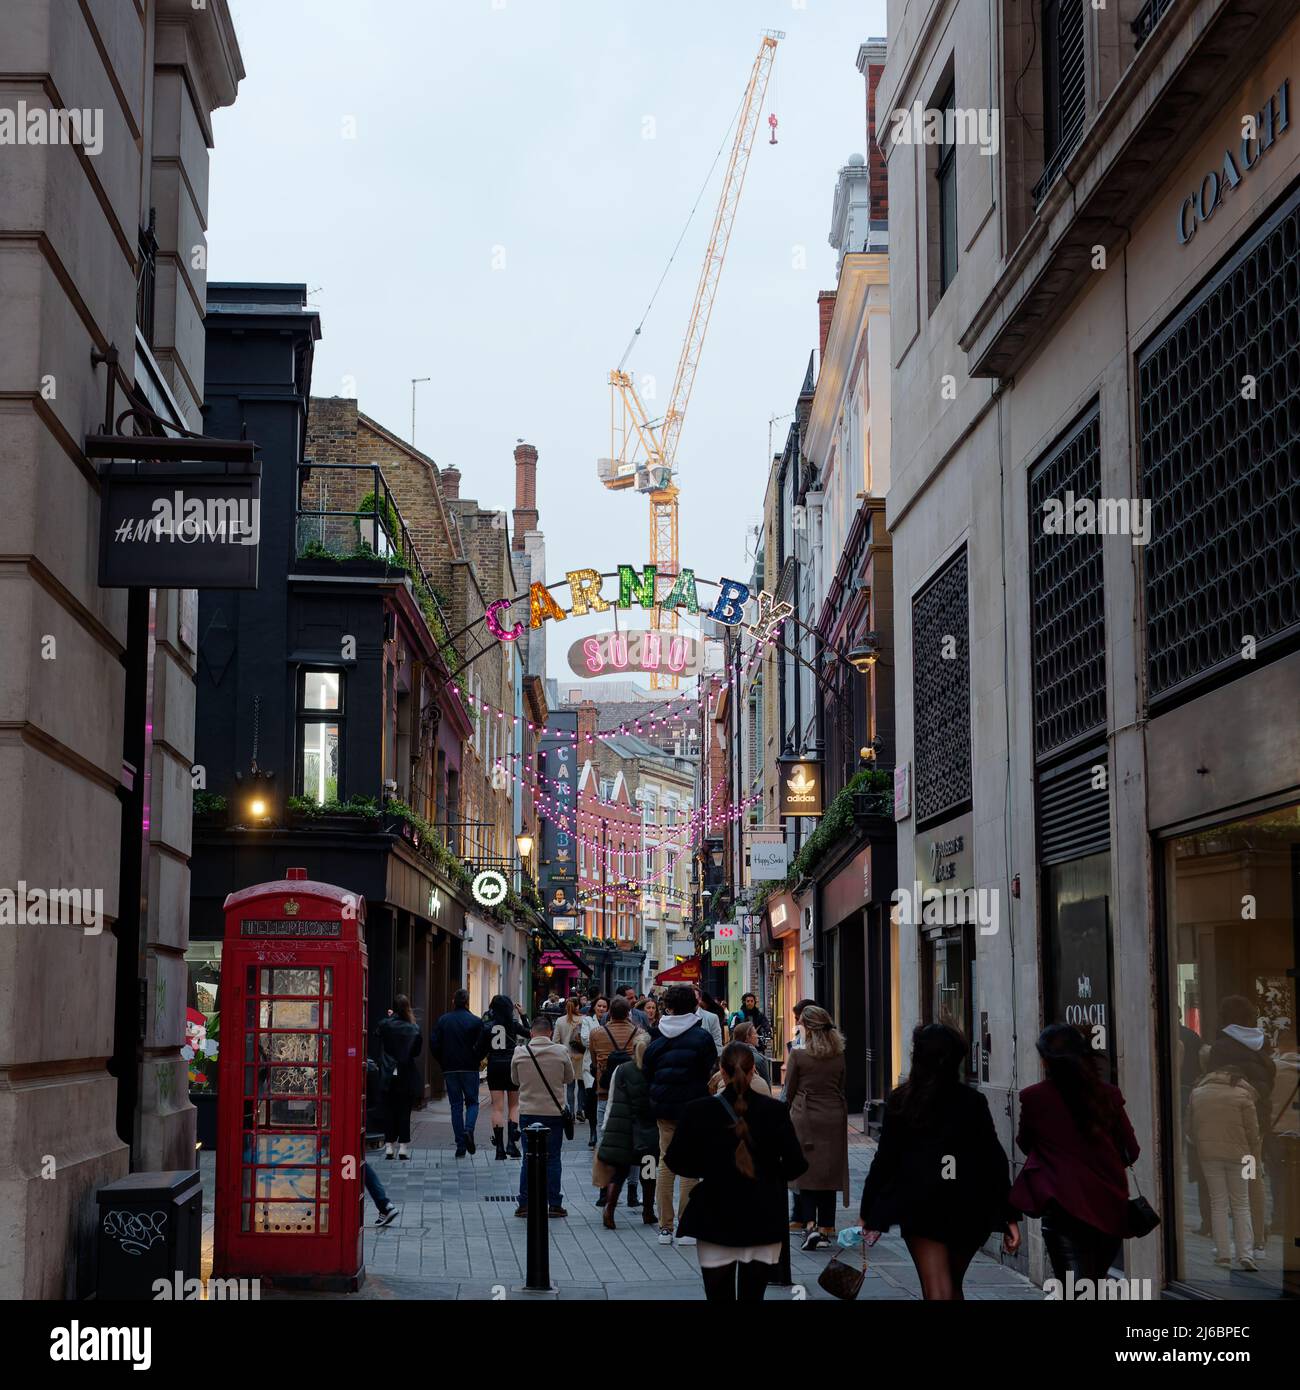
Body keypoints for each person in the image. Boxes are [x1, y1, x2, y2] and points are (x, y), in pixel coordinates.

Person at [860, 1023, 1020, 1300]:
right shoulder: (972, 1102)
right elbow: (993, 1160)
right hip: (969, 1207)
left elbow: (885, 1160)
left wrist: (868, 1209)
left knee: (938, 1290)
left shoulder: (903, 1101)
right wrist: (1008, 1215)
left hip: (922, 1206)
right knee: (950, 1285)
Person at [665, 1042, 809, 1303]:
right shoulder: (775, 1111)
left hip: (715, 1212)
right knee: (753, 1294)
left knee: (717, 1294)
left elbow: (675, 1160)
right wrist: (769, 1173)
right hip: (762, 1213)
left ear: (721, 1071)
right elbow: (796, 1164)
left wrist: (709, 1167)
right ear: (754, 1071)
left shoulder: (698, 1110)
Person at [1009, 1023, 1140, 1284]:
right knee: (1093, 1282)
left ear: (1046, 1062)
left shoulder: (1035, 1098)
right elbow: (1131, 1150)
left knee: (1074, 1286)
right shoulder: (1108, 1095)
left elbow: (1025, 1143)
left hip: (1061, 1204)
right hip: (1108, 1203)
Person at [643, 984, 717, 1246]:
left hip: (664, 1109)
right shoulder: (702, 1038)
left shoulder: (656, 1037)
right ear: (694, 1006)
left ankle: (665, 1227)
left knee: (666, 1162)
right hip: (694, 1108)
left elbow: (648, 1071)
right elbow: (709, 1068)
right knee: (691, 1165)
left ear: (668, 1007)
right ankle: (686, 1226)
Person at [1203, 995, 1275, 1256]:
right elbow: (1269, 1083)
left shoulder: (1221, 1047)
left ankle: (1239, 1241)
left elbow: (1213, 1082)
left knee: (1230, 1182)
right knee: (1253, 1175)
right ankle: (1258, 1241)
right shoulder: (1262, 1043)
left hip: (1229, 1122)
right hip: (1256, 1121)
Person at [783, 1004, 850, 1249]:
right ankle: (826, 1225)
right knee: (829, 1170)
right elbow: (842, 1086)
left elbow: (789, 1090)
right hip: (833, 1115)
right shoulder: (839, 1055)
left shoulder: (799, 1056)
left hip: (806, 1116)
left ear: (808, 1028)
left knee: (806, 1171)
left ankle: (809, 1225)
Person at [1188, 1064, 1261, 1270]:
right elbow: (1253, 1131)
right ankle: (1246, 1254)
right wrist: (1253, 1152)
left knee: (1218, 1204)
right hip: (1242, 1156)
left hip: (1209, 1156)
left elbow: (1190, 1127)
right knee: (1242, 1203)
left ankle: (1223, 1255)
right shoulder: (1243, 1095)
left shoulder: (1197, 1093)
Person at [510, 1015, 575, 1219]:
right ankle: (554, 1203)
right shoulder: (560, 1052)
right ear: (549, 1033)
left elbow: (514, 1080)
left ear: (531, 1033)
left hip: (528, 1112)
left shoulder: (520, 1053)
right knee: (553, 1158)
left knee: (528, 1159)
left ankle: (524, 1203)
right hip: (553, 1113)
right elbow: (569, 1078)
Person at [593, 1037, 659, 1229]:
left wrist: (606, 1127)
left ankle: (609, 1210)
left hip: (622, 1127)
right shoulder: (654, 1071)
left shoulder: (621, 1069)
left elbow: (611, 1098)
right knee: (648, 1172)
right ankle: (648, 1212)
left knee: (619, 1171)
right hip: (647, 1129)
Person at [429, 987, 484, 1158]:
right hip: (470, 1068)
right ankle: (469, 1130)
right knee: (473, 1103)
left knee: (456, 1106)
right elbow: (482, 1045)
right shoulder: (475, 1021)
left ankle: (460, 1144)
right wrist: (477, 1059)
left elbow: (434, 1043)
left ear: (453, 1001)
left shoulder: (443, 1020)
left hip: (450, 1068)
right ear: (467, 1002)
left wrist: (443, 1061)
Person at [482, 994, 530, 1160]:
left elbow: (480, 1046)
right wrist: (523, 1015)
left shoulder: (488, 1025)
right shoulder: (513, 1024)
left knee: (497, 1108)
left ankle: (499, 1149)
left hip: (494, 1064)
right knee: (514, 1105)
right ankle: (511, 1143)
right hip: (511, 1064)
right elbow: (531, 1033)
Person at [376, 995, 422, 1160]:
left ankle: (389, 1147)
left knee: (388, 1111)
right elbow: (416, 1052)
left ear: (393, 1009)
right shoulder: (414, 1028)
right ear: (408, 1008)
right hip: (406, 1073)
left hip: (388, 1073)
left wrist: (389, 1019)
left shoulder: (385, 1024)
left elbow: (377, 1034)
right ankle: (403, 1148)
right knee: (404, 1112)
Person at [553, 996, 593, 1123]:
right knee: (581, 1085)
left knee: (570, 1087)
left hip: (567, 1057)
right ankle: (580, 1110)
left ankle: (570, 1112)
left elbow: (555, 1041)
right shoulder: (584, 1019)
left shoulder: (560, 1021)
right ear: (577, 1006)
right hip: (581, 1056)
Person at [693, 986, 723, 1056]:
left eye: (694, 997)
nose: (691, 1000)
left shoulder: (711, 1017)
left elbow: (717, 1044)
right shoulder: (678, 1017)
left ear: (700, 999)